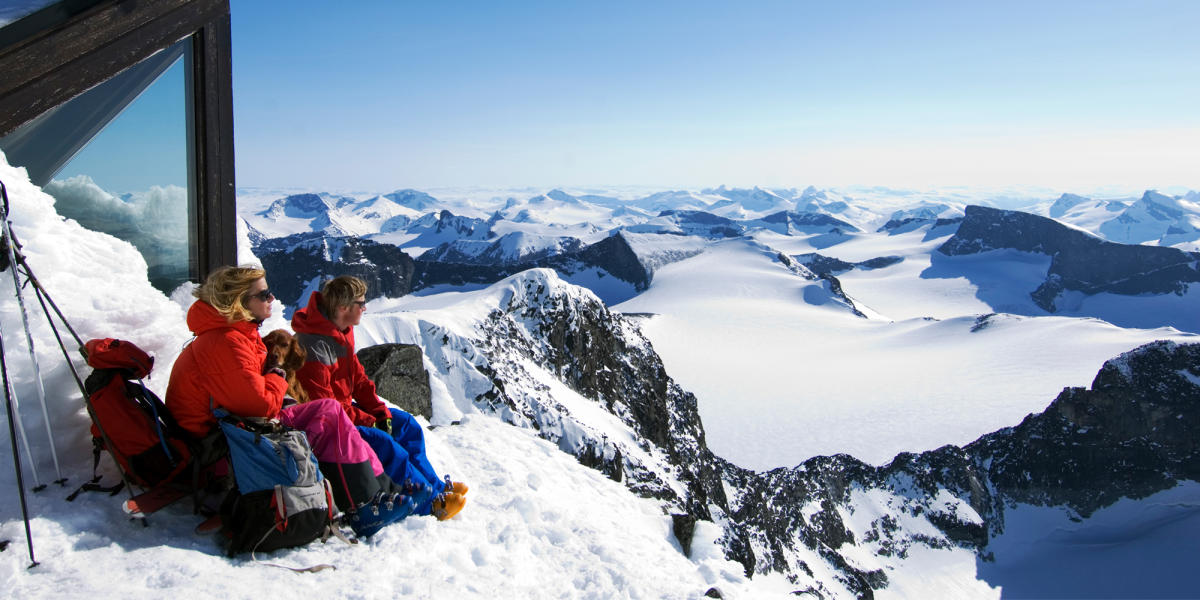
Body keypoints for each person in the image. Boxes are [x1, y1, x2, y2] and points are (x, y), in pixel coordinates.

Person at [165, 266, 412, 532]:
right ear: (239, 302)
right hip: (216, 442)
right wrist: (277, 375)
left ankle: (382, 493)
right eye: (264, 294)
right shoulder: (225, 342)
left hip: (231, 427)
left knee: (329, 413)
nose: (272, 298)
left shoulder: (238, 335)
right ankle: (365, 503)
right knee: (327, 414)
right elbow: (260, 403)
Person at [292, 275, 467, 520]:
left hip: (345, 412)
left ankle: (436, 486)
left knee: (405, 424)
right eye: (361, 303)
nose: (365, 308)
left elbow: (359, 379)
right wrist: (368, 420)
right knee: (385, 444)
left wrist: (379, 411)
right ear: (344, 308)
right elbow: (325, 408)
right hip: (330, 427)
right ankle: (430, 503)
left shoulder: (341, 332)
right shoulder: (313, 347)